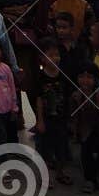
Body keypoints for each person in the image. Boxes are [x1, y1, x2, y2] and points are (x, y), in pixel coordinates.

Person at [31, 38, 72, 184]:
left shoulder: (64, 75)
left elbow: (67, 96)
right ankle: (45, 175)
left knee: (61, 146)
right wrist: (39, 120)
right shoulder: (41, 77)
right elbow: (39, 100)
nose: (55, 58)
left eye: (57, 55)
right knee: (45, 147)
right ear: (42, 57)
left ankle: (60, 172)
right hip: (47, 118)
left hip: (61, 117)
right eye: (50, 55)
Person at [71, 65, 99, 193]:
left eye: (89, 77)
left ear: (95, 79)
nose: (85, 80)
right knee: (86, 154)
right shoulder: (75, 96)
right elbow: (73, 114)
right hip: (84, 129)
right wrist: (74, 130)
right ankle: (89, 179)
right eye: (81, 77)